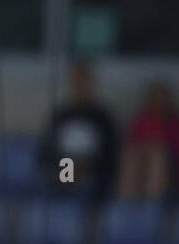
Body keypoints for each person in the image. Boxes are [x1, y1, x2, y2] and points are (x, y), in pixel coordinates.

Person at [40, 60, 119, 200]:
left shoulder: (102, 116)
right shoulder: (61, 115)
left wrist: (86, 165)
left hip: (93, 170)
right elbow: (47, 148)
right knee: (64, 171)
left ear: (91, 84)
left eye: (84, 81)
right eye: (76, 82)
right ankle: (64, 193)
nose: (80, 86)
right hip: (65, 165)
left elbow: (110, 151)